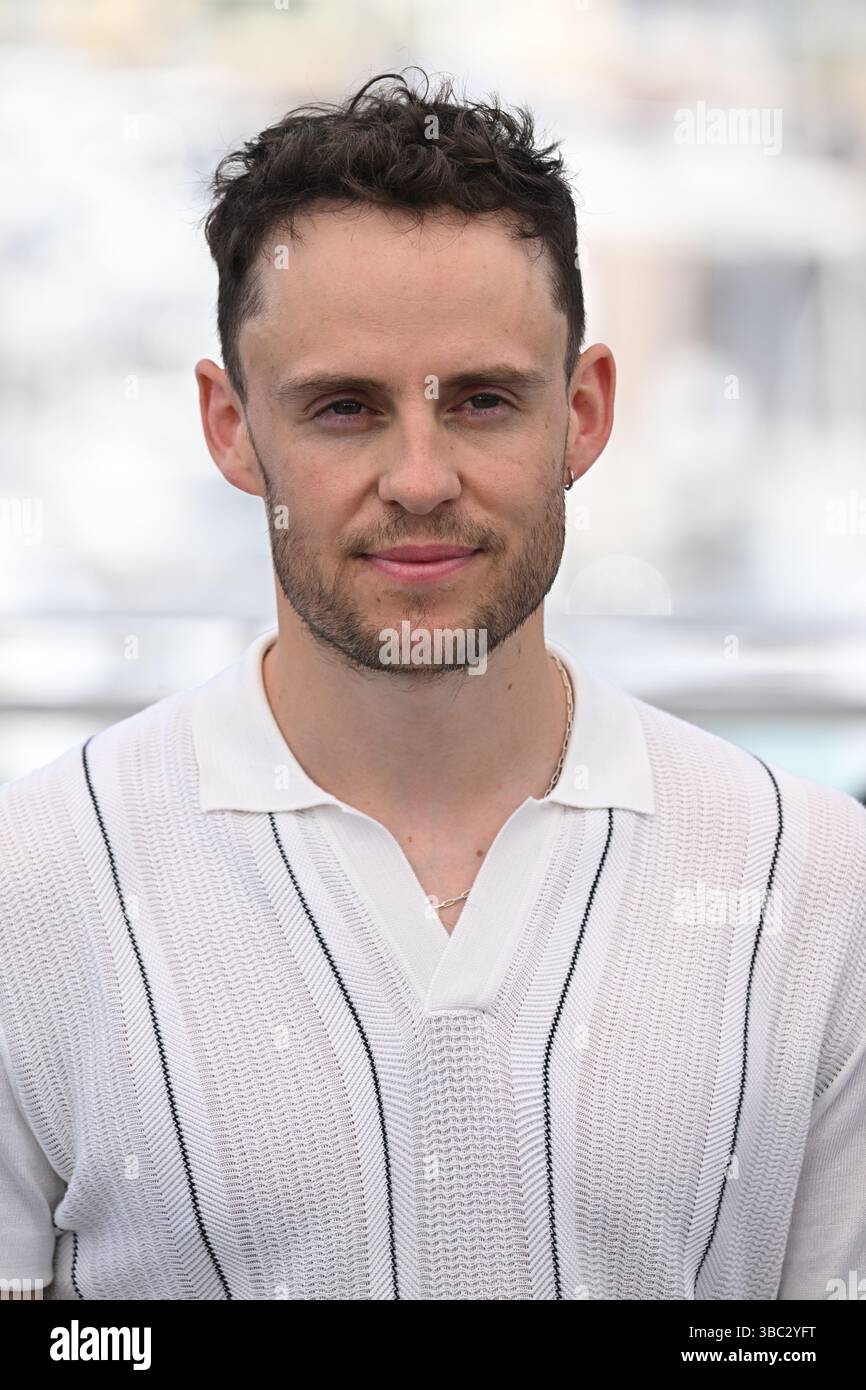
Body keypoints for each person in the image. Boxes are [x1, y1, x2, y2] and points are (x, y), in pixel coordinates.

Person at [1, 70, 864, 1302]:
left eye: (481, 401)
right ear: (231, 425)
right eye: (344, 407)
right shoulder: (31, 891)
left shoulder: (816, 887)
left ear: (582, 411)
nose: (418, 478)